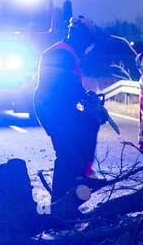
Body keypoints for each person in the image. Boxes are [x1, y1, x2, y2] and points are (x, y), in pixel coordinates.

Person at [34, 16, 105, 207]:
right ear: (81, 37)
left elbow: (70, 87)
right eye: (88, 43)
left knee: (87, 127)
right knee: (66, 153)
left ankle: (81, 176)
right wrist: (86, 99)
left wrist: (86, 98)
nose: (87, 49)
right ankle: (60, 203)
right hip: (54, 110)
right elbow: (64, 86)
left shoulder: (67, 51)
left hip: (57, 108)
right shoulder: (62, 54)